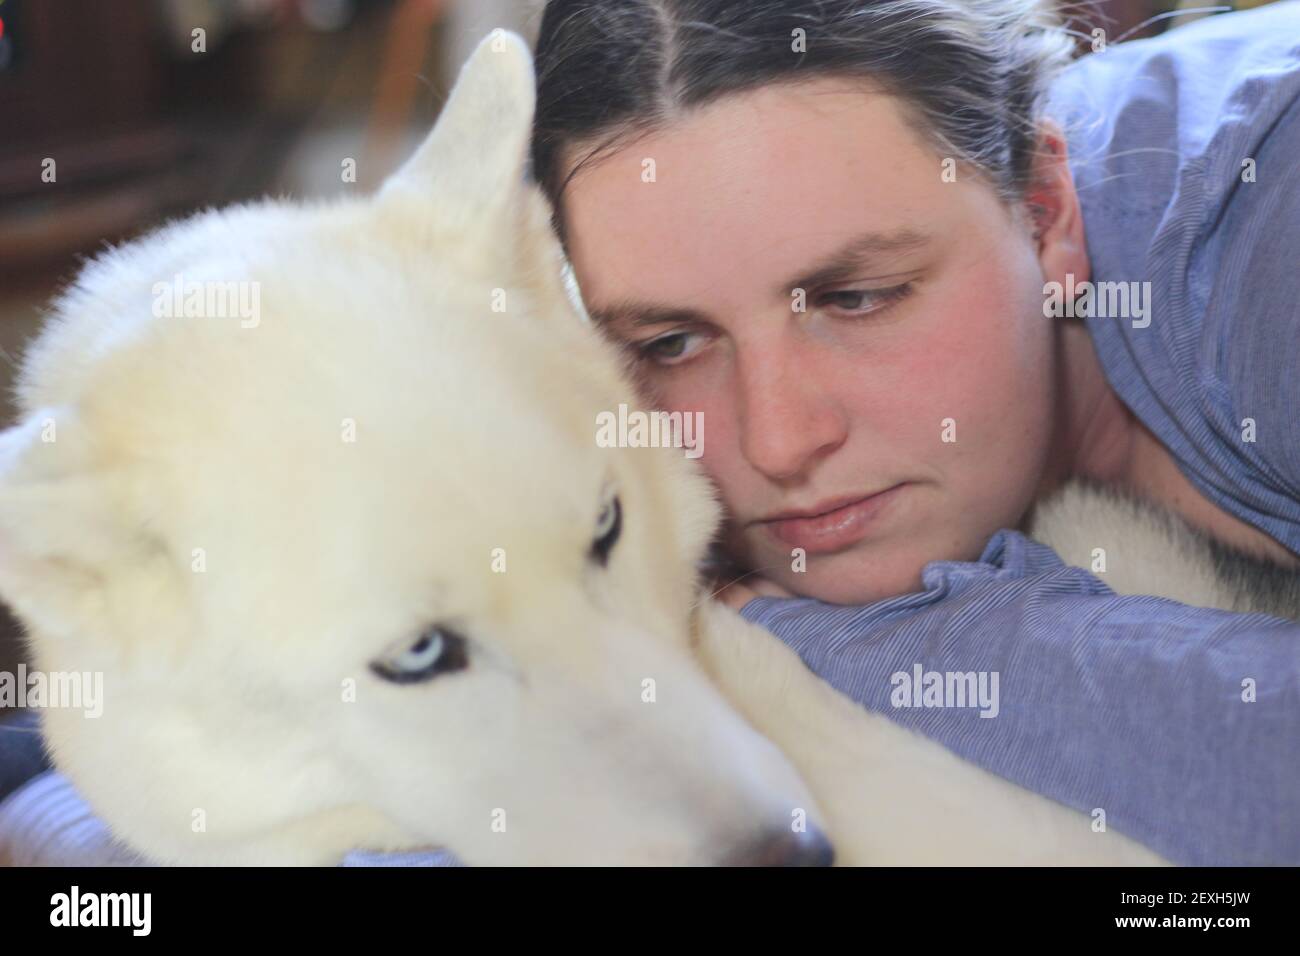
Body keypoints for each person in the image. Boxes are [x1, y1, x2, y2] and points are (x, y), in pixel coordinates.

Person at [529, 0, 1300, 864]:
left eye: (857, 298)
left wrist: (872, 636)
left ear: (1045, 213)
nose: (778, 444)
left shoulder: (1268, 238)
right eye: (671, 344)